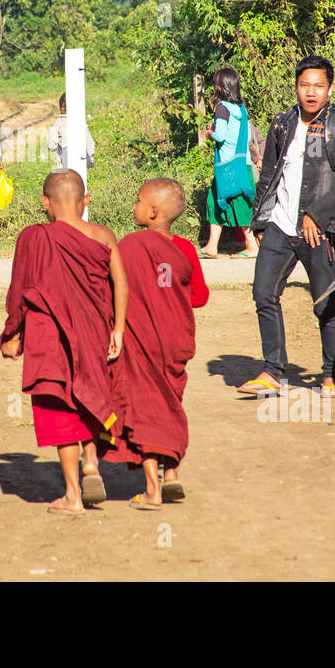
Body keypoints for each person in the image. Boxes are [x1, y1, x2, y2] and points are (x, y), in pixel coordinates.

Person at [0, 170, 128, 514]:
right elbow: (122, 285)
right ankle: (91, 462)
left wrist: (12, 334)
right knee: (89, 394)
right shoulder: (103, 235)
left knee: (60, 408)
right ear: (86, 201)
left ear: (45, 202)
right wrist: (118, 330)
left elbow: (20, 291)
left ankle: (72, 495)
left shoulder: (33, 237)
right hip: (94, 332)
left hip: (49, 337)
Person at [238, 56, 335, 396]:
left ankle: (330, 375)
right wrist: (261, 221)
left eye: (318, 86)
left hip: (318, 231)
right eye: (304, 85)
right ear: (296, 87)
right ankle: (272, 371)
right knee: (264, 293)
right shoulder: (283, 124)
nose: (311, 92)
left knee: (323, 302)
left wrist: (317, 214)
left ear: (330, 88)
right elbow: (269, 174)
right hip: (280, 225)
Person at [103, 178, 209, 510]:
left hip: (142, 340)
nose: (133, 206)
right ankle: (172, 474)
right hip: (176, 339)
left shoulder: (130, 245)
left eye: (137, 200)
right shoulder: (186, 248)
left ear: (152, 210)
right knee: (170, 402)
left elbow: (115, 289)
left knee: (145, 406)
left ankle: (152, 489)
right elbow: (199, 297)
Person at [199, 66, 258, 258]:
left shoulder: (222, 108)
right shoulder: (242, 109)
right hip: (243, 164)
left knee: (236, 204)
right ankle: (212, 246)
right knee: (216, 200)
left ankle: (252, 246)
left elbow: (220, 136)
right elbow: (248, 136)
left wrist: (209, 132)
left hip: (227, 166)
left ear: (220, 87)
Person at [47, 93, 96, 169]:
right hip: (80, 163)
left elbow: (52, 146)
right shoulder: (80, 122)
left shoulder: (56, 123)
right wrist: (91, 157)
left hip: (63, 166)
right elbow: (89, 143)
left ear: (60, 108)